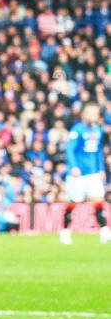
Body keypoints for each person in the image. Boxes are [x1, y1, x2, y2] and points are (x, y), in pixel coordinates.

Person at [58, 102, 110, 245]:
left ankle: (104, 231)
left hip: (93, 173)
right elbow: (70, 149)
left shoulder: (98, 130)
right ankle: (65, 231)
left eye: (95, 113)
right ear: (84, 115)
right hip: (78, 175)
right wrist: (73, 167)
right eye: (91, 113)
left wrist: (101, 169)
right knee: (74, 202)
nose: (93, 116)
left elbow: (99, 152)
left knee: (99, 200)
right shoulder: (78, 130)